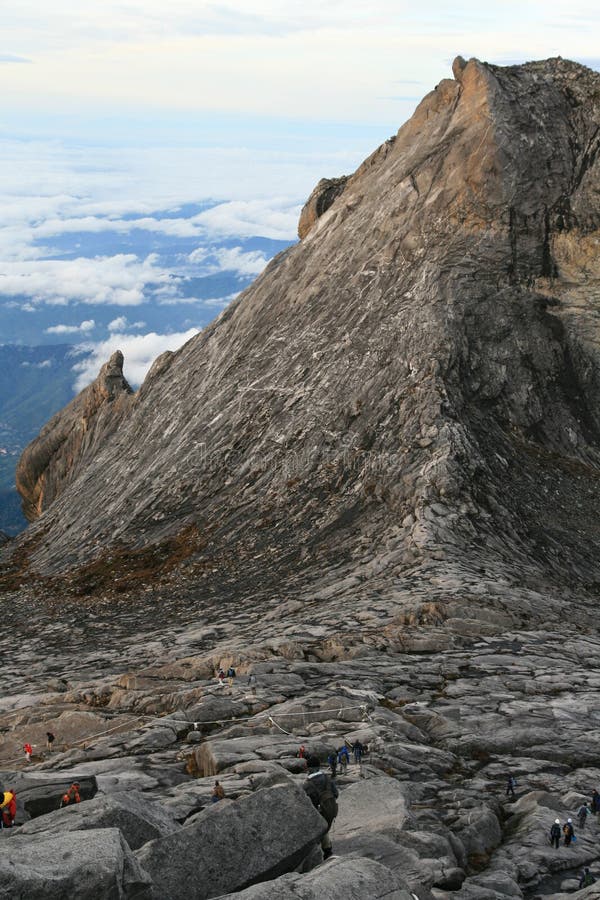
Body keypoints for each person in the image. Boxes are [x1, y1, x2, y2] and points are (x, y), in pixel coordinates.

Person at [303, 755, 339, 860]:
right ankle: (328, 851)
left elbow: (305, 803)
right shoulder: (328, 779)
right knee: (324, 830)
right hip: (331, 809)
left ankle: (318, 854)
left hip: (317, 812)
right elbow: (336, 794)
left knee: (320, 831)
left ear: (309, 768)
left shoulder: (307, 785)